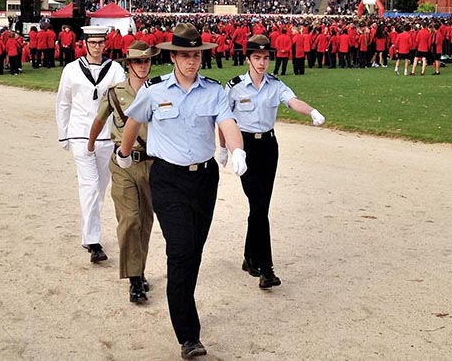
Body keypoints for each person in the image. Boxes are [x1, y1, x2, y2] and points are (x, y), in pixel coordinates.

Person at [116, 23, 247, 359]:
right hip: (168, 179)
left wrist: (238, 151)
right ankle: (188, 335)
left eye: (196, 55)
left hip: (203, 179)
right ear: (173, 56)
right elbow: (133, 121)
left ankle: (183, 301)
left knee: (194, 251)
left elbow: (228, 123)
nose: (192, 61)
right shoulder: (155, 90)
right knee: (182, 249)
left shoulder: (213, 91)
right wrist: (124, 153)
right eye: (185, 55)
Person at [218, 34, 325, 290]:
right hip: (244, 146)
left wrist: (311, 111)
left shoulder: (275, 84)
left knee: (260, 206)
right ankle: (266, 268)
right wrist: (223, 148)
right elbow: (223, 119)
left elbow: (292, 101)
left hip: (268, 146)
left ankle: (249, 257)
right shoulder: (234, 86)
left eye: (266, 58)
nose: (262, 63)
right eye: (257, 57)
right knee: (258, 204)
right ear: (248, 59)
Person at [88, 41, 160, 304]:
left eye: (146, 60)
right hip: (123, 163)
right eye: (137, 61)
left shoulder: (160, 91)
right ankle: (134, 279)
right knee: (129, 219)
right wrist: (90, 143)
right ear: (128, 64)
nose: (143, 65)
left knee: (145, 220)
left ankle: (139, 269)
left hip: (153, 163)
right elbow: (100, 119)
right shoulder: (115, 93)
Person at [56, 25, 126, 263]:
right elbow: (63, 102)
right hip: (80, 134)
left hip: (106, 136)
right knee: (90, 185)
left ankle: (89, 234)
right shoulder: (71, 69)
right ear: (85, 43)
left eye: (100, 43)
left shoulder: (115, 69)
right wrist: (63, 133)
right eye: (93, 43)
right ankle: (94, 241)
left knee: (100, 188)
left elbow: (121, 103)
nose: (97, 47)